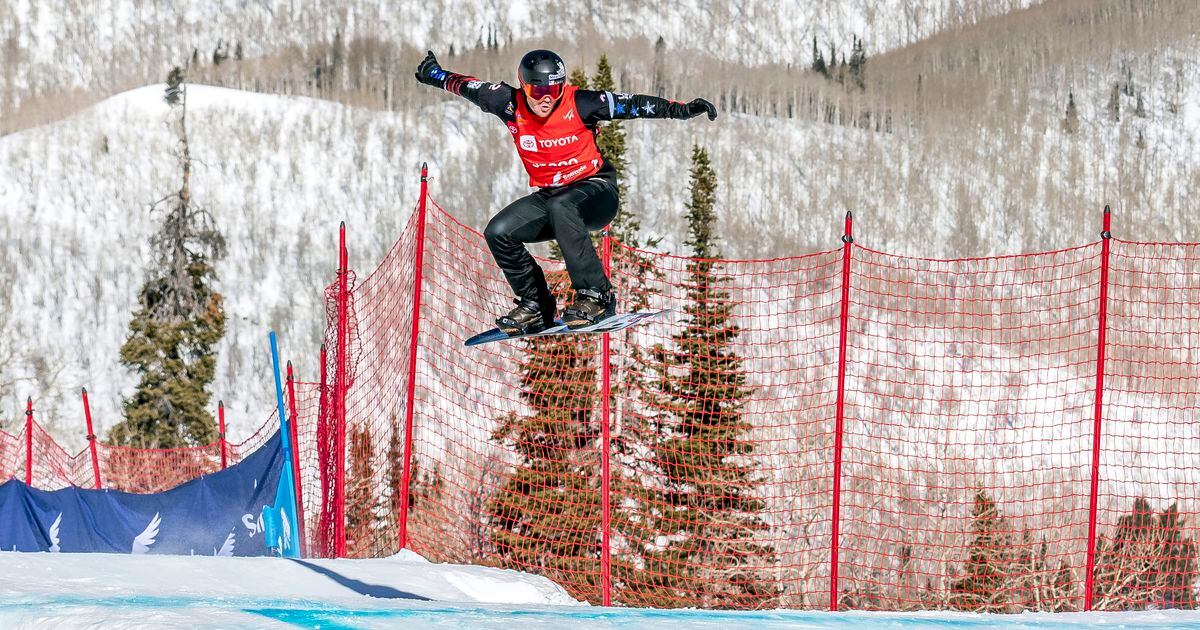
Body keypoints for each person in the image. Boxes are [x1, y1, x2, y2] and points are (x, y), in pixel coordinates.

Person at [414, 49, 717, 334]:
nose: (546, 99)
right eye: (538, 91)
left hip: (597, 191)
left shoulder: (582, 103)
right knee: (499, 232)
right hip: (553, 196)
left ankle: (597, 296)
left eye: (554, 90)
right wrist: (435, 75)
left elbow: (635, 104)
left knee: (562, 205)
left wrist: (682, 110)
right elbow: (466, 86)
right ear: (523, 87)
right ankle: (536, 305)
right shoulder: (507, 103)